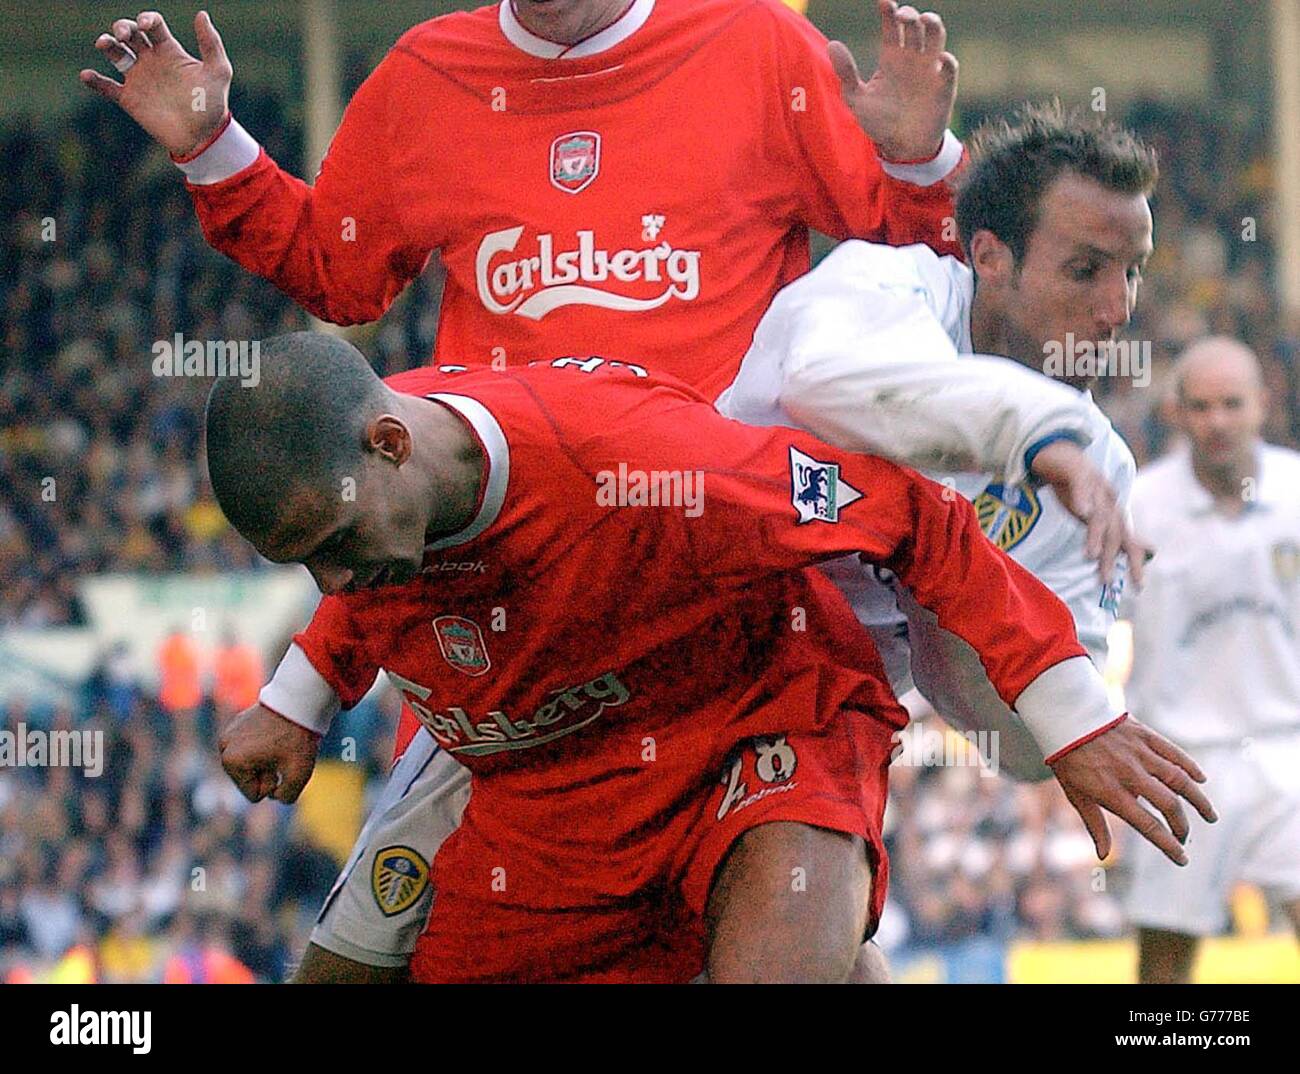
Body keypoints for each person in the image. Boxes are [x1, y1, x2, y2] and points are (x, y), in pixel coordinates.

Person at [208, 332, 1211, 982]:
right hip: (550, 794)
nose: (330, 588)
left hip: (756, 728)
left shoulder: (648, 466)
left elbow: (915, 516)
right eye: (302, 563)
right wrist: (301, 696)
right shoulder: (372, 498)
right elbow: (366, 596)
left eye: (332, 549)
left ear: (391, 444)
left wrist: (1075, 718)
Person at [720, 101, 1156, 790]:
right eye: (1085, 271)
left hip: (817, 727)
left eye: (1132, 272)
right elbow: (826, 382)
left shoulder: (1100, 467)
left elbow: (1031, 749)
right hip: (679, 643)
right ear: (989, 257)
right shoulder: (881, 283)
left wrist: (951, 610)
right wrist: (1035, 435)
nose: (1118, 309)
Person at [1122, 337, 1300, 983]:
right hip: (1180, 759)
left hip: (1289, 746)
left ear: (1263, 403)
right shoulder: (1138, 503)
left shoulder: (1297, 490)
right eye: (1200, 407)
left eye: (1231, 404)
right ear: (1176, 413)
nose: (1217, 421)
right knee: (1165, 960)